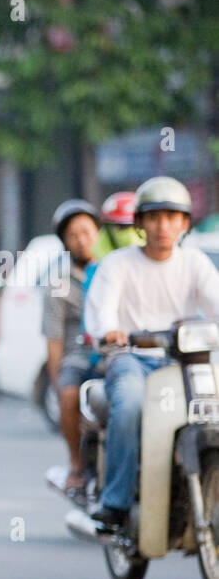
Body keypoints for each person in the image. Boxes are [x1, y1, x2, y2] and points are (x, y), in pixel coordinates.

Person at [84, 176, 219, 530]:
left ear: (185, 223)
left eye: (172, 218)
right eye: (155, 217)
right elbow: (101, 315)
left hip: (187, 361)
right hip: (131, 360)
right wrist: (110, 331)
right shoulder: (117, 264)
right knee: (128, 404)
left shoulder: (196, 264)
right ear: (140, 223)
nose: (164, 226)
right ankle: (115, 503)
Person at [44, 199, 101, 492]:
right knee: (69, 395)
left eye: (87, 232)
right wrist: (57, 382)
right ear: (65, 242)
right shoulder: (59, 284)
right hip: (78, 357)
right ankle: (76, 463)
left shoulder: (111, 271)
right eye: (74, 235)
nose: (82, 241)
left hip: (111, 355)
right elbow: (53, 339)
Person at [94, 190, 144, 259]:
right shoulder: (97, 267)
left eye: (134, 226)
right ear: (107, 229)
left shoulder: (157, 261)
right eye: (122, 226)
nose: (129, 233)